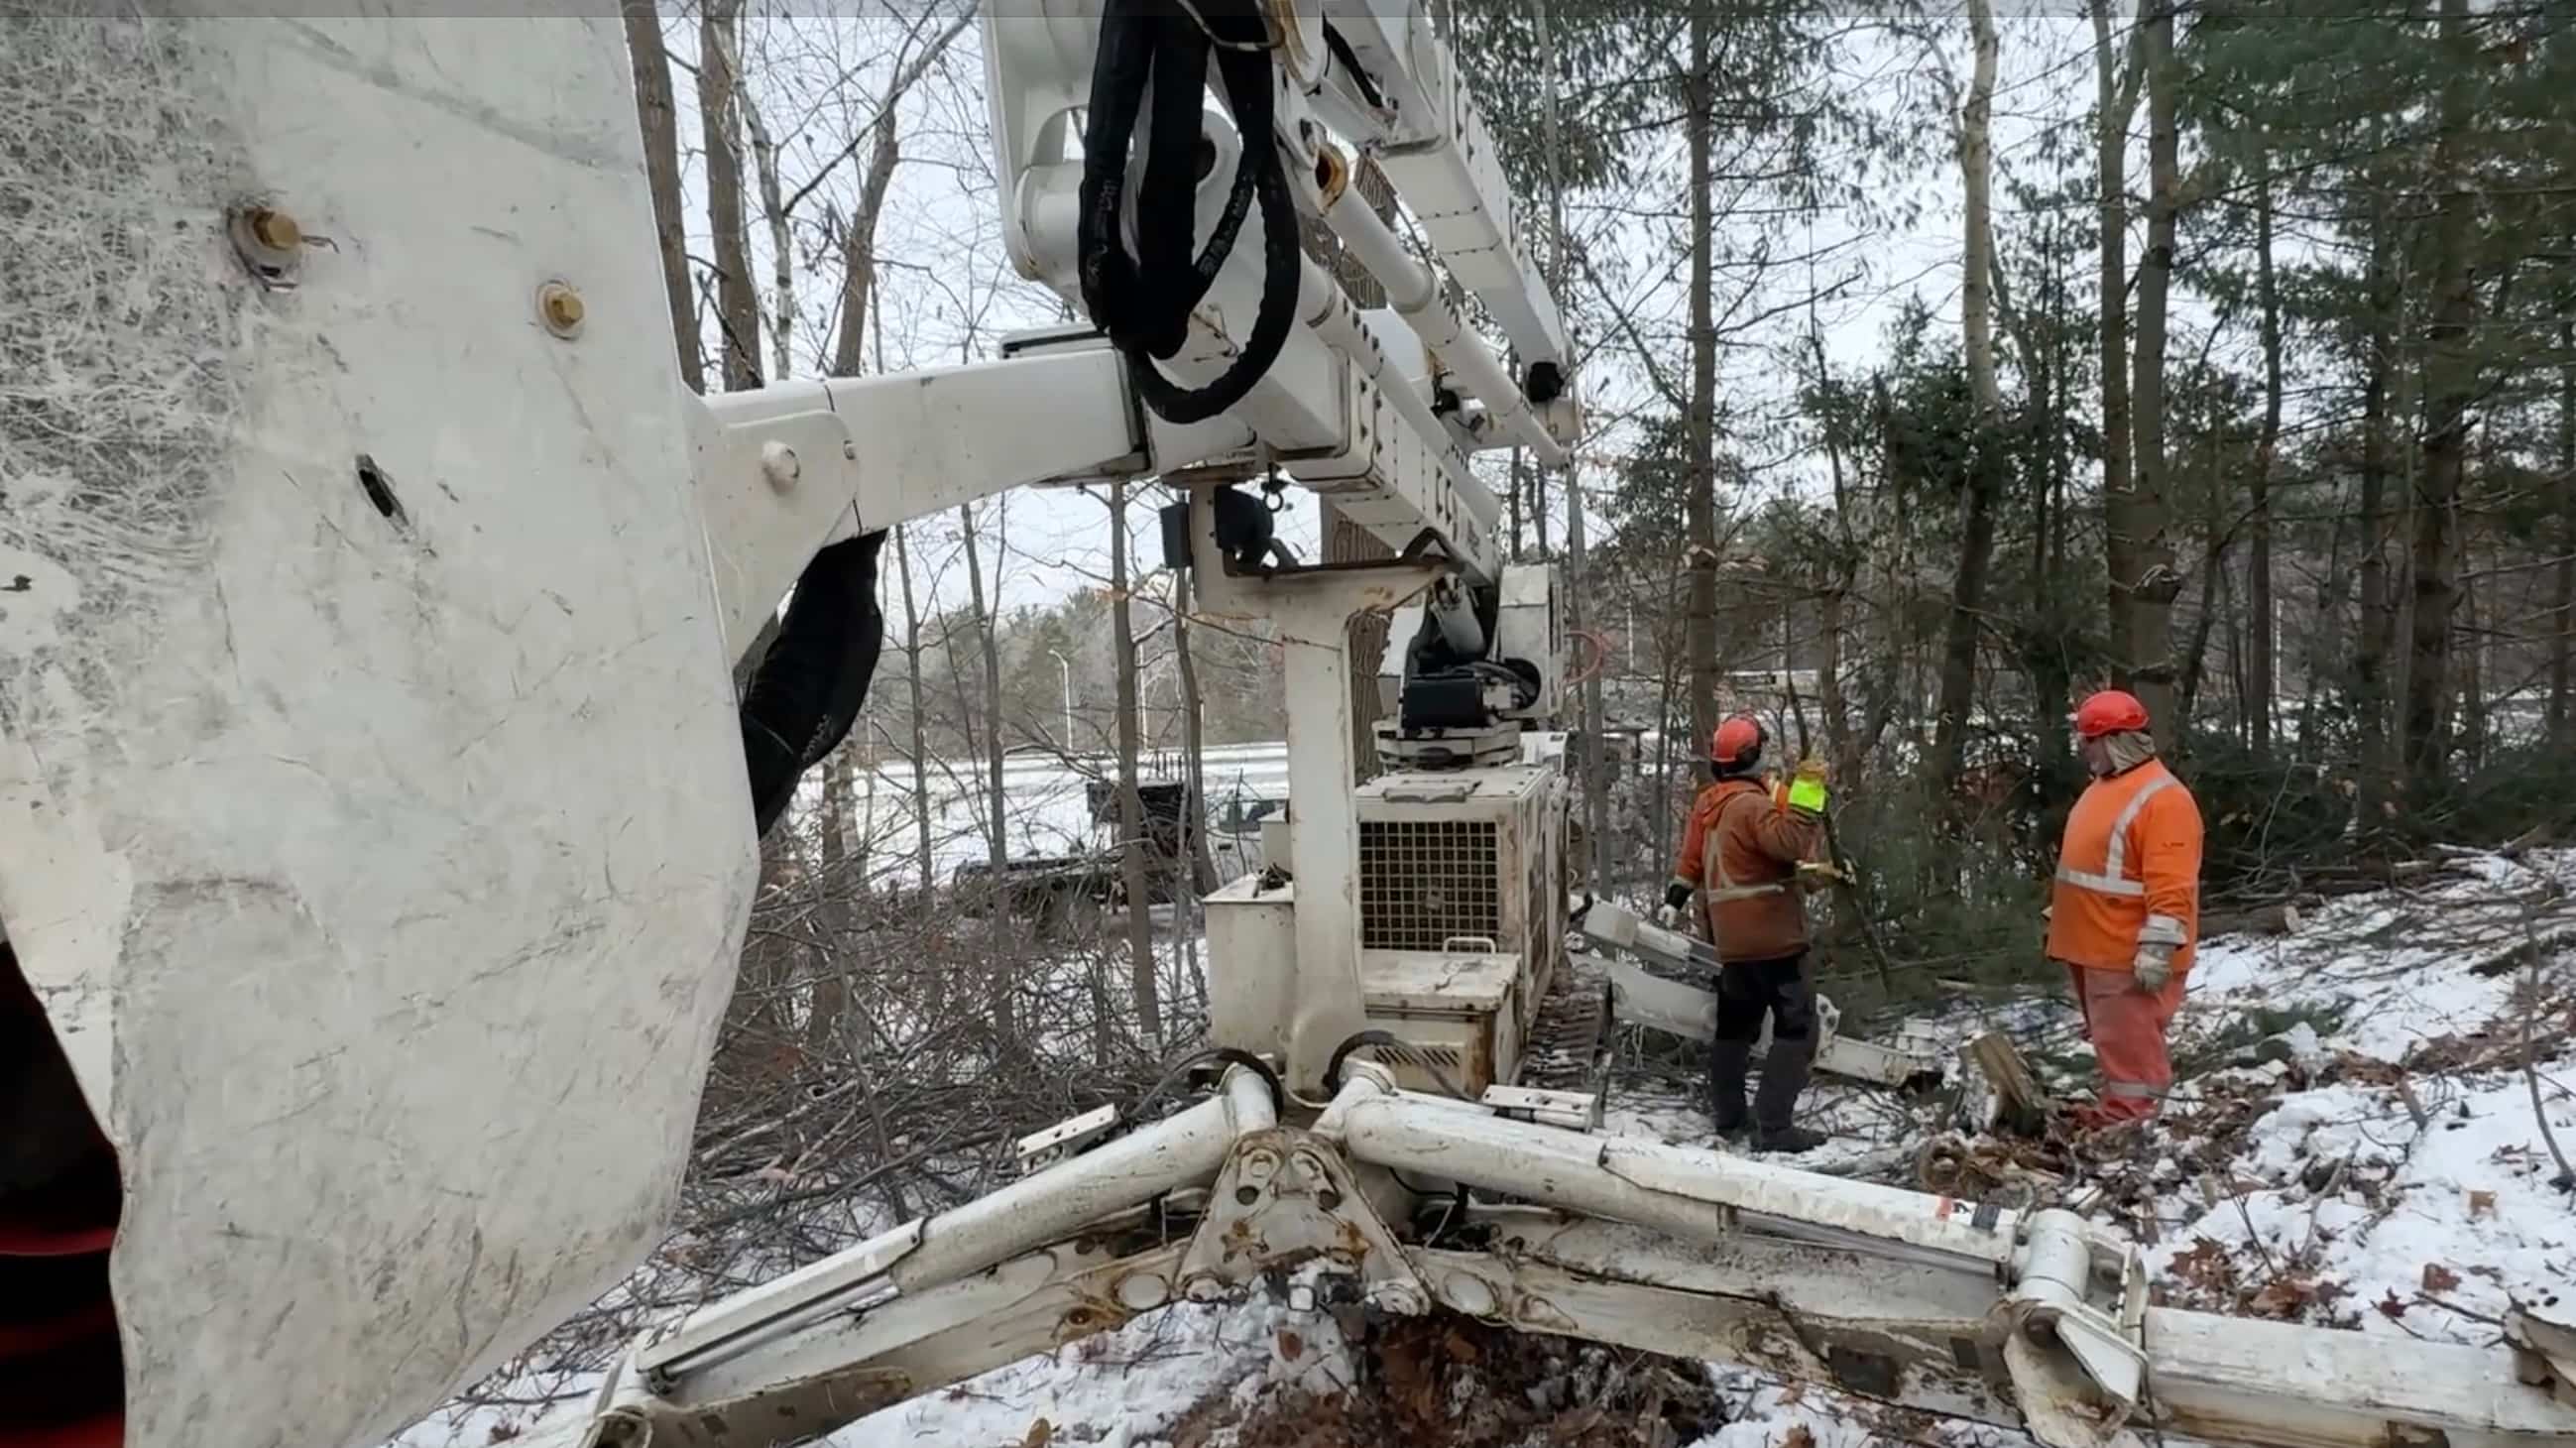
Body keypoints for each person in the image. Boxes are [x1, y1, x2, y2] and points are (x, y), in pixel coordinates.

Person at [1665, 716, 1830, 1152]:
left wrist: (1671, 903)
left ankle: (1730, 1120)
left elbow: (1689, 864)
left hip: (1733, 942)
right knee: (1798, 1031)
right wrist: (1809, 792)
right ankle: (1774, 1129)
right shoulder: (1751, 805)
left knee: (1734, 1031)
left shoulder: (1708, 805)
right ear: (1752, 756)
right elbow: (1790, 844)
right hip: (1774, 937)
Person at [2046, 688, 2203, 1129]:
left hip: (2124, 952)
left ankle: (2137, 1121)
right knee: (2115, 1043)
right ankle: (2119, 1113)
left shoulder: (2163, 799)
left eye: (2090, 742)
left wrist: (2156, 949)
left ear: (2115, 739)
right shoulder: (2107, 788)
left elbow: (2171, 885)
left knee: (2131, 1048)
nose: (2085, 751)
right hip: (2095, 943)